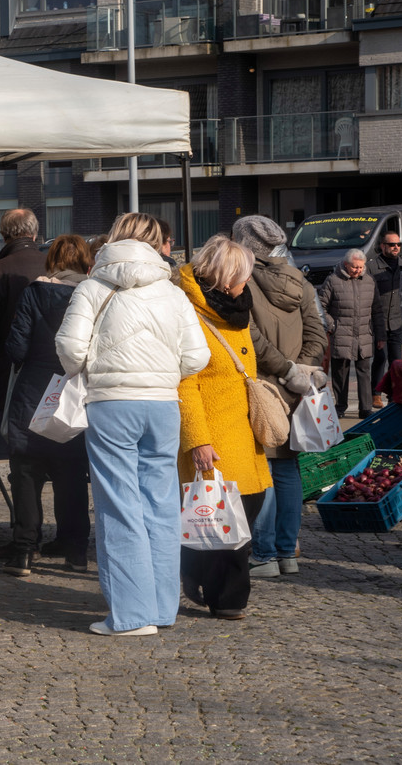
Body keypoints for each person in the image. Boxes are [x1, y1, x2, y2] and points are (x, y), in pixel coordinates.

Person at [56, 213, 210, 636]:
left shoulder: (93, 286)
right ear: (158, 242)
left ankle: (131, 615)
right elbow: (197, 357)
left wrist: (91, 368)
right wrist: (162, 373)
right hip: (162, 406)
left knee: (119, 506)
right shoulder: (172, 291)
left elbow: (70, 348)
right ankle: (162, 608)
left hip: (112, 404)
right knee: (161, 507)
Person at [176, 234, 273, 621]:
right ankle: (228, 598)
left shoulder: (235, 311)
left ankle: (195, 571)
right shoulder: (190, 313)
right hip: (214, 434)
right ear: (224, 276)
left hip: (243, 430)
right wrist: (198, 439)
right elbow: (186, 383)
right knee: (224, 522)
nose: (247, 283)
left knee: (247, 509)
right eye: (243, 276)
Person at [230, 216, 327, 579]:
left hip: (259, 386)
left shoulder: (241, 279)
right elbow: (319, 332)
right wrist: (301, 370)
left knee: (263, 470)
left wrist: (284, 370)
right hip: (295, 388)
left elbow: (249, 335)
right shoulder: (299, 279)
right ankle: (288, 553)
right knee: (287, 470)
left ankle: (265, 553)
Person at [0, 234, 94, 575]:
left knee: (26, 473)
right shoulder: (93, 297)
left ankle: (24, 551)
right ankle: (76, 552)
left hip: (34, 392)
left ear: (51, 260)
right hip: (74, 396)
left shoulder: (34, 293)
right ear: (86, 262)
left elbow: (16, 349)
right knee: (71, 474)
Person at [0, 208, 47, 402]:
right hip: (53, 375)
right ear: (34, 234)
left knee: (14, 431)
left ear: (3, 235)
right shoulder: (54, 267)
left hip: (10, 376)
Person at [319, 248, 377, 419]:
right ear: (346, 265)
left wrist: (378, 334)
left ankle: (365, 408)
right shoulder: (333, 280)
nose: (358, 270)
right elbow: (321, 307)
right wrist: (333, 325)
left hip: (363, 334)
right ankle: (340, 406)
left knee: (364, 372)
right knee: (340, 373)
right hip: (341, 334)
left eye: (361, 267)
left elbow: (376, 309)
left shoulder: (369, 281)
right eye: (354, 267)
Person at [368, 229, 402, 401]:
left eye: (398, 244)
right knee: (380, 359)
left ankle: (394, 394)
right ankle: (375, 394)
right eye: (392, 244)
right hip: (379, 322)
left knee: (397, 361)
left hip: (397, 321)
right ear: (382, 246)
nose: (396, 247)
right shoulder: (372, 267)